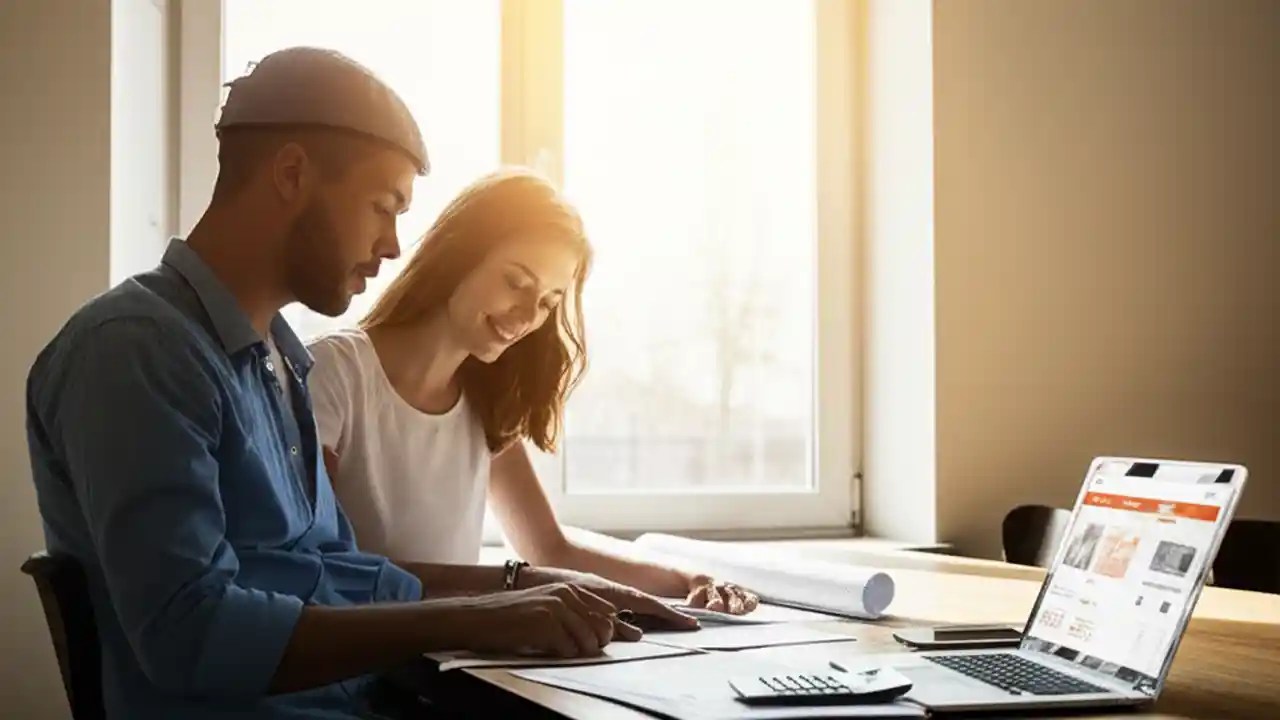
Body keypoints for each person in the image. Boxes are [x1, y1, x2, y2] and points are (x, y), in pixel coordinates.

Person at [26, 47, 637, 720]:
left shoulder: (280, 362)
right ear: (292, 174)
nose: (395, 245)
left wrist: (521, 591)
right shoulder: (137, 351)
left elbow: (338, 578)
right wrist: (475, 620)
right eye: (383, 206)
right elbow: (189, 635)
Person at [307, 168, 760, 616]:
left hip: (446, 666)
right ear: (458, 255)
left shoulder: (485, 405)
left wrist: (687, 580)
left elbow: (550, 551)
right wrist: (512, 585)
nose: (527, 315)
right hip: (357, 675)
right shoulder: (333, 373)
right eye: (517, 283)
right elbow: (325, 566)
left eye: (547, 302)